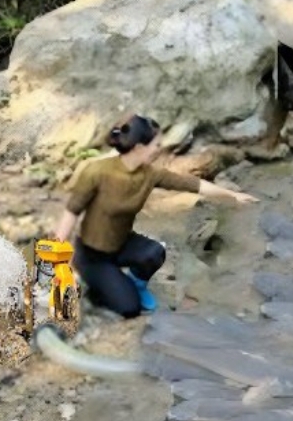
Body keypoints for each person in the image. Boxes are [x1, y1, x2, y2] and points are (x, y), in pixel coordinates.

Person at [52, 114, 258, 318]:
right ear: (139, 147)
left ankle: (133, 286)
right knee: (129, 308)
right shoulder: (97, 172)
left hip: (122, 244)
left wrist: (232, 196)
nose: (160, 149)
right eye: (156, 144)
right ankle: (99, 285)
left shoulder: (150, 174)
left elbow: (194, 185)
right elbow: (71, 213)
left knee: (154, 253)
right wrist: (57, 263)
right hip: (92, 255)